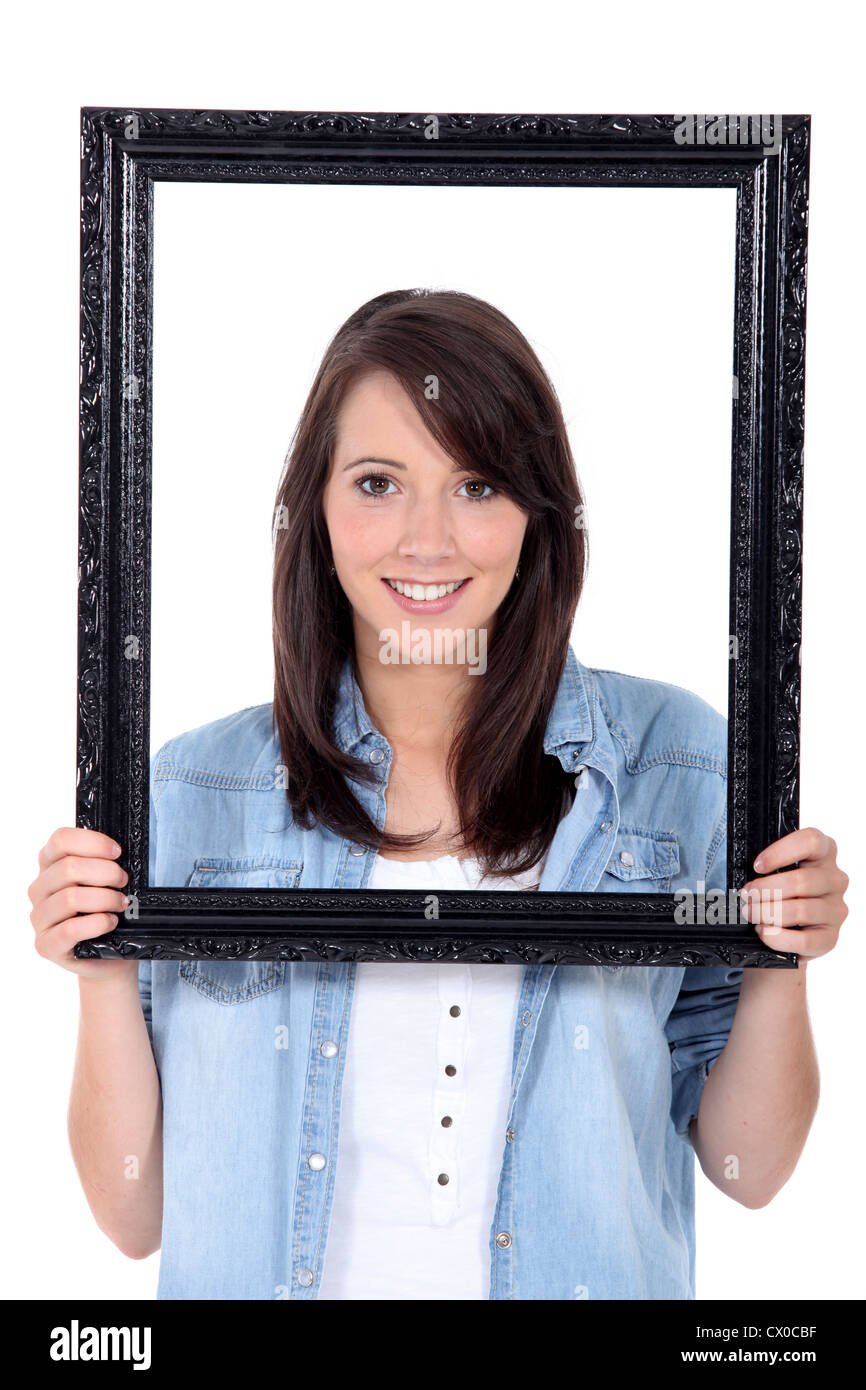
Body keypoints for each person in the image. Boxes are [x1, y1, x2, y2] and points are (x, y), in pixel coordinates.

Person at [30, 290, 849, 1300]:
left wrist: (782, 958)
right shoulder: (197, 788)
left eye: (475, 485)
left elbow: (751, 1171)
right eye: (377, 481)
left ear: (537, 511)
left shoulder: (673, 761)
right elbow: (132, 1215)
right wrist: (99, 963)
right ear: (314, 506)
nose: (425, 541)